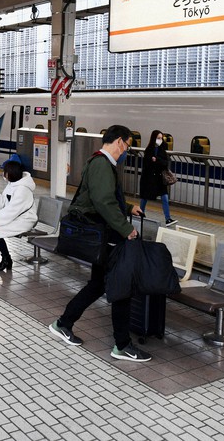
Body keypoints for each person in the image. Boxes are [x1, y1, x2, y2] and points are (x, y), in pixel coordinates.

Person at [48, 125, 151, 362]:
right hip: (108, 236)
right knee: (120, 287)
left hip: (104, 234)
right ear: (119, 142)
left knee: (97, 284)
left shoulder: (99, 162)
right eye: (127, 145)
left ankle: (63, 323)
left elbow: (100, 198)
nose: (126, 150)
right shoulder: (102, 165)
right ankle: (122, 345)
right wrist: (127, 230)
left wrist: (126, 208)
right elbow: (103, 202)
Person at [0, 160, 37, 271]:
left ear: (10, 173)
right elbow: (4, 203)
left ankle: (7, 260)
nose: (3, 174)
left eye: (4, 172)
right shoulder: (12, 184)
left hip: (25, 220)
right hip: (15, 217)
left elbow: (11, 210)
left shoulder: (23, 189)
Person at [139, 130, 176, 226]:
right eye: (158, 138)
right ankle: (140, 213)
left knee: (165, 197)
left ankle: (168, 219)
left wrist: (156, 160)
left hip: (159, 178)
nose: (160, 140)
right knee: (144, 197)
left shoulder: (162, 149)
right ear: (153, 138)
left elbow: (165, 163)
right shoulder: (149, 150)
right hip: (149, 178)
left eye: (161, 138)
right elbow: (146, 164)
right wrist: (152, 160)